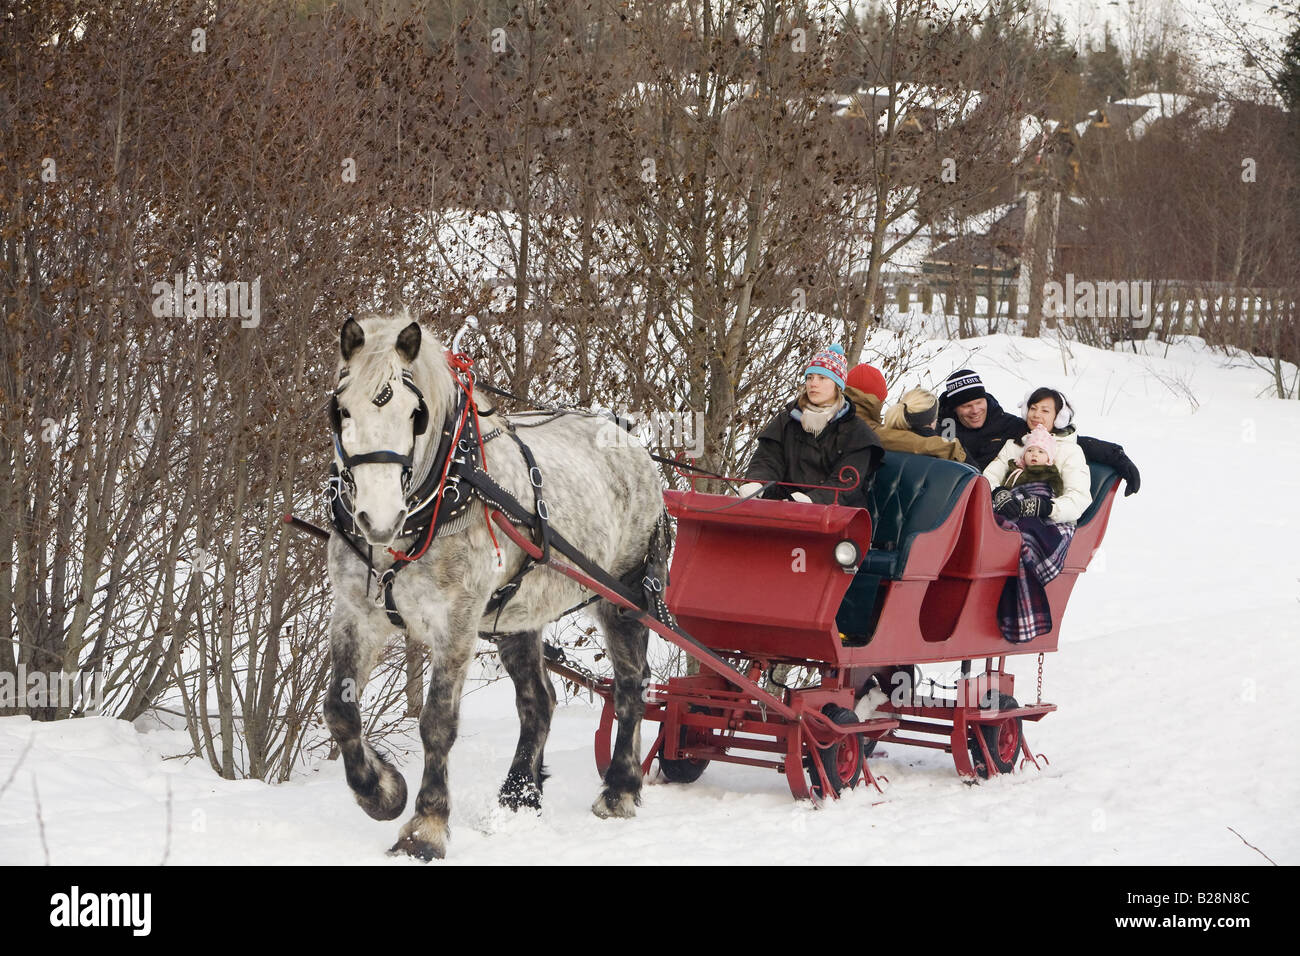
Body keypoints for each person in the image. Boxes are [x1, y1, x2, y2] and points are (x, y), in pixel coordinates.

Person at [938, 368, 1141, 493]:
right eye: (966, 406)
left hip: (987, 499)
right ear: (955, 408)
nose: (975, 411)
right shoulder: (944, 427)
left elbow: (1057, 440)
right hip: (956, 496)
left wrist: (1117, 456)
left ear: (986, 399)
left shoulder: (1005, 424)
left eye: (979, 402)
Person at [739, 344, 883, 509]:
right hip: (780, 509)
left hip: (836, 518)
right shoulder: (786, 420)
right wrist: (758, 483)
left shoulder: (857, 433)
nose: (813, 383)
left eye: (822, 378)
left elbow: (846, 483)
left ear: (837, 385)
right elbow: (767, 459)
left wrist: (812, 500)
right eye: (810, 377)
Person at [983, 389, 1092, 523]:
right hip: (1007, 514)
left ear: (1059, 418)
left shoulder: (1070, 451)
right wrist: (999, 493)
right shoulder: (1014, 445)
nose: (1036, 415)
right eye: (1033, 408)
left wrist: (1047, 508)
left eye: (1045, 411)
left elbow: (1078, 497)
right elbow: (990, 476)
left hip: (1052, 523)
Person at [843, 364, 967, 461]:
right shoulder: (861, 426)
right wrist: (948, 447)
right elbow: (911, 443)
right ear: (879, 400)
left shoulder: (836, 410)